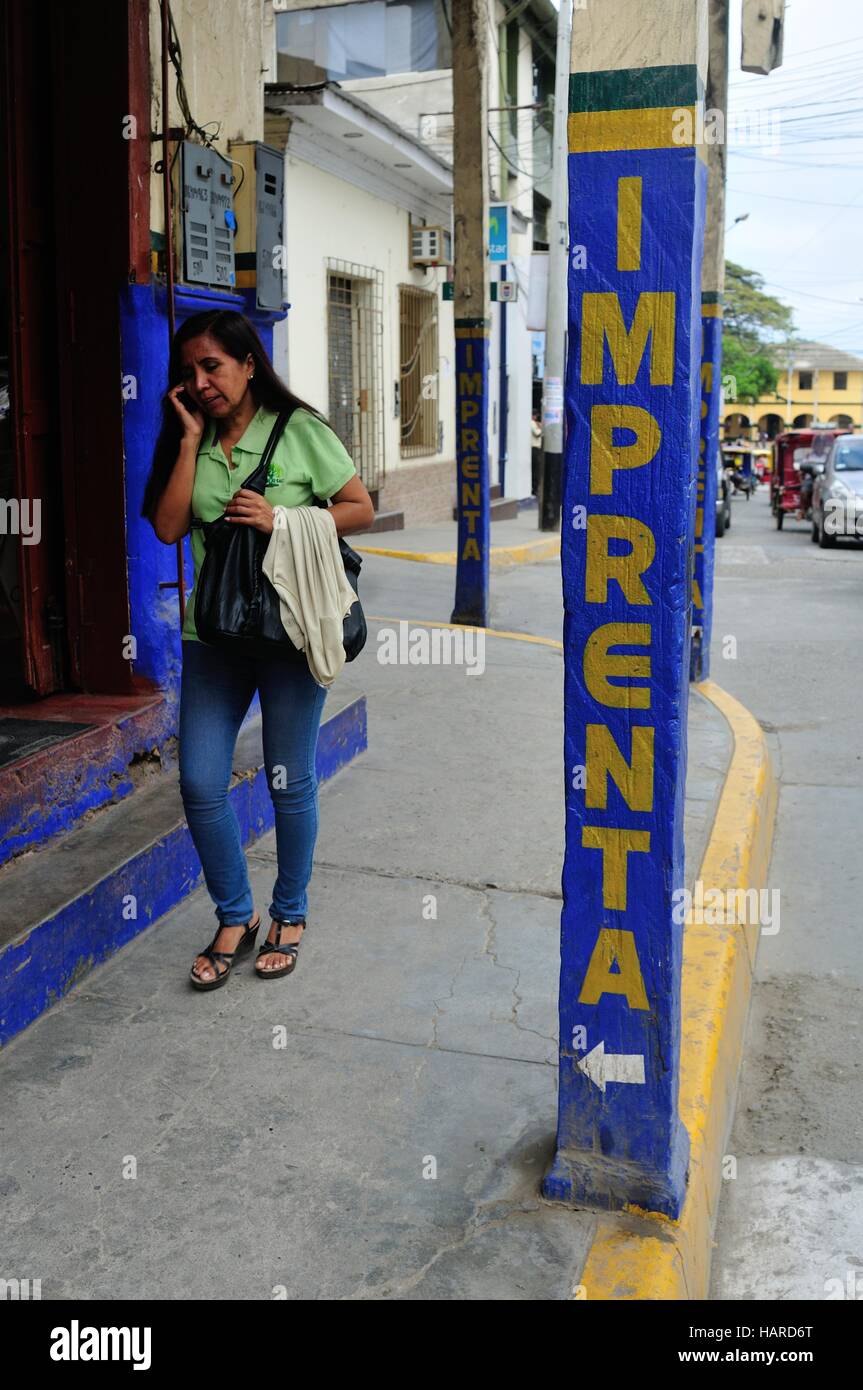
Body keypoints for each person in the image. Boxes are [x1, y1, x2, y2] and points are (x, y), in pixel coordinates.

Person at [142, 310, 374, 989]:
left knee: (288, 778)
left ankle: (290, 914)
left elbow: (358, 507)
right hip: (213, 632)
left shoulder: (300, 432)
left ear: (248, 363)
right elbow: (166, 527)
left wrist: (285, 518)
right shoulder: (193, 438)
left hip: (292, 628)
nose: (201, 381)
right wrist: (187, 443)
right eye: (188, 372)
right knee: (199, 781)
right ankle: (234, 915)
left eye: (212, 366)